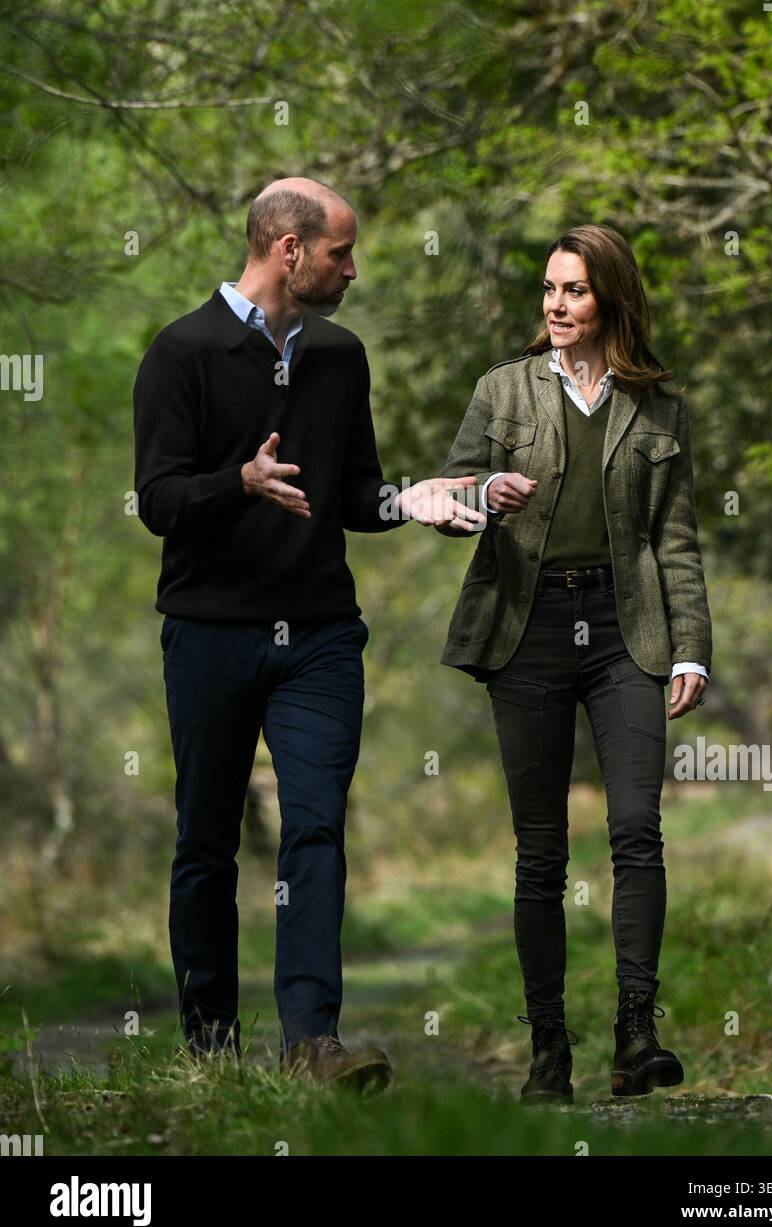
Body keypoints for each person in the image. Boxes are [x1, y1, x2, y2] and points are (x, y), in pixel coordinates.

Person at [133, 176, 483, 1093]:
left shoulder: (340, 356)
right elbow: (159, 501)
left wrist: (416, 502)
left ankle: (311, 1042)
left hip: (321, 636)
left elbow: (355, 492)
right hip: (210, 635)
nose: (353, 269)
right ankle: (211, 1049)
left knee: (316, 825)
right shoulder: (182, 352)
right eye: (341, 253)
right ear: (289, 250)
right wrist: (237, 483)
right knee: (206, 841)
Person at [436, 224, 712, 1102]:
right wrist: (482, 495)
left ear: (611, 300)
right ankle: (548, 1048)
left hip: (629, 631)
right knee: (541, 852)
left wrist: (692, 648)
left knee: (637, 832)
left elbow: (677, 538)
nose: (556, 305)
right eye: (549, 290)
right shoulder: (501, 390)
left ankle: (638, 1036)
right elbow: (447, 495)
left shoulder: (658, 405)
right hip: (530, 627)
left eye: (575, 291)